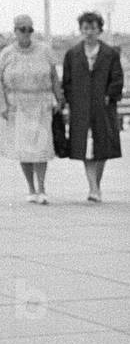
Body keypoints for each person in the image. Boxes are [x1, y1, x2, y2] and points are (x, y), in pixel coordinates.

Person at [0, 14, 63, 204]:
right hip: (18, 106)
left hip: (41, 104)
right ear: (15, 31)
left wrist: (59, 98)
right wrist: (3, 104)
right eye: (22, 29)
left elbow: (54, 77)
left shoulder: (45, 51)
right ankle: (31, 188)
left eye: (30, 29)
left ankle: (42, 188)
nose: (26, 33)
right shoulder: (7, 53)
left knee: (41, 147)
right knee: (23, 149)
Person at [62, 11, 124, 202]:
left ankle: (95, 185)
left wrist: (109, 95)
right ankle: (93, 188)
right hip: (81, 107)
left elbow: (117, 78)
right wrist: (71, 100)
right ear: (81, 29)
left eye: (93, 28)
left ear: (99, 30)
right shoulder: (73, 54)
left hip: (102, 107)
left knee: (102, 147)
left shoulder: (110, 53)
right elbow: (67, 80)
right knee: (84, 146)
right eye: (86, 28)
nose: (89, 32)